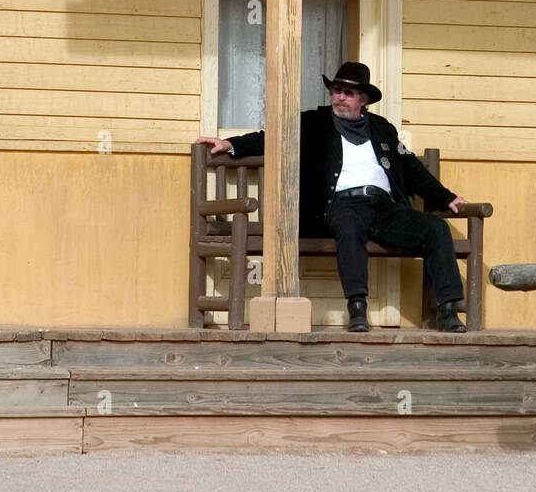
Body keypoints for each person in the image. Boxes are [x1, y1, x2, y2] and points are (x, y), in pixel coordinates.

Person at [195, 62, 468, 332]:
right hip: (339, 205)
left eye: (348, 93)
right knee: (350, 225)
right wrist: (232, 144)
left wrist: (446, 197)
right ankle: (358, 308)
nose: (339, 97)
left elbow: (411, 166)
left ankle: (447, 310)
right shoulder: (315, 123)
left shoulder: (382, 128)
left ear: (363, 100)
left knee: (436, 228)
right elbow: (273, 138)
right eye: (336, 90)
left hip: (384, 207)